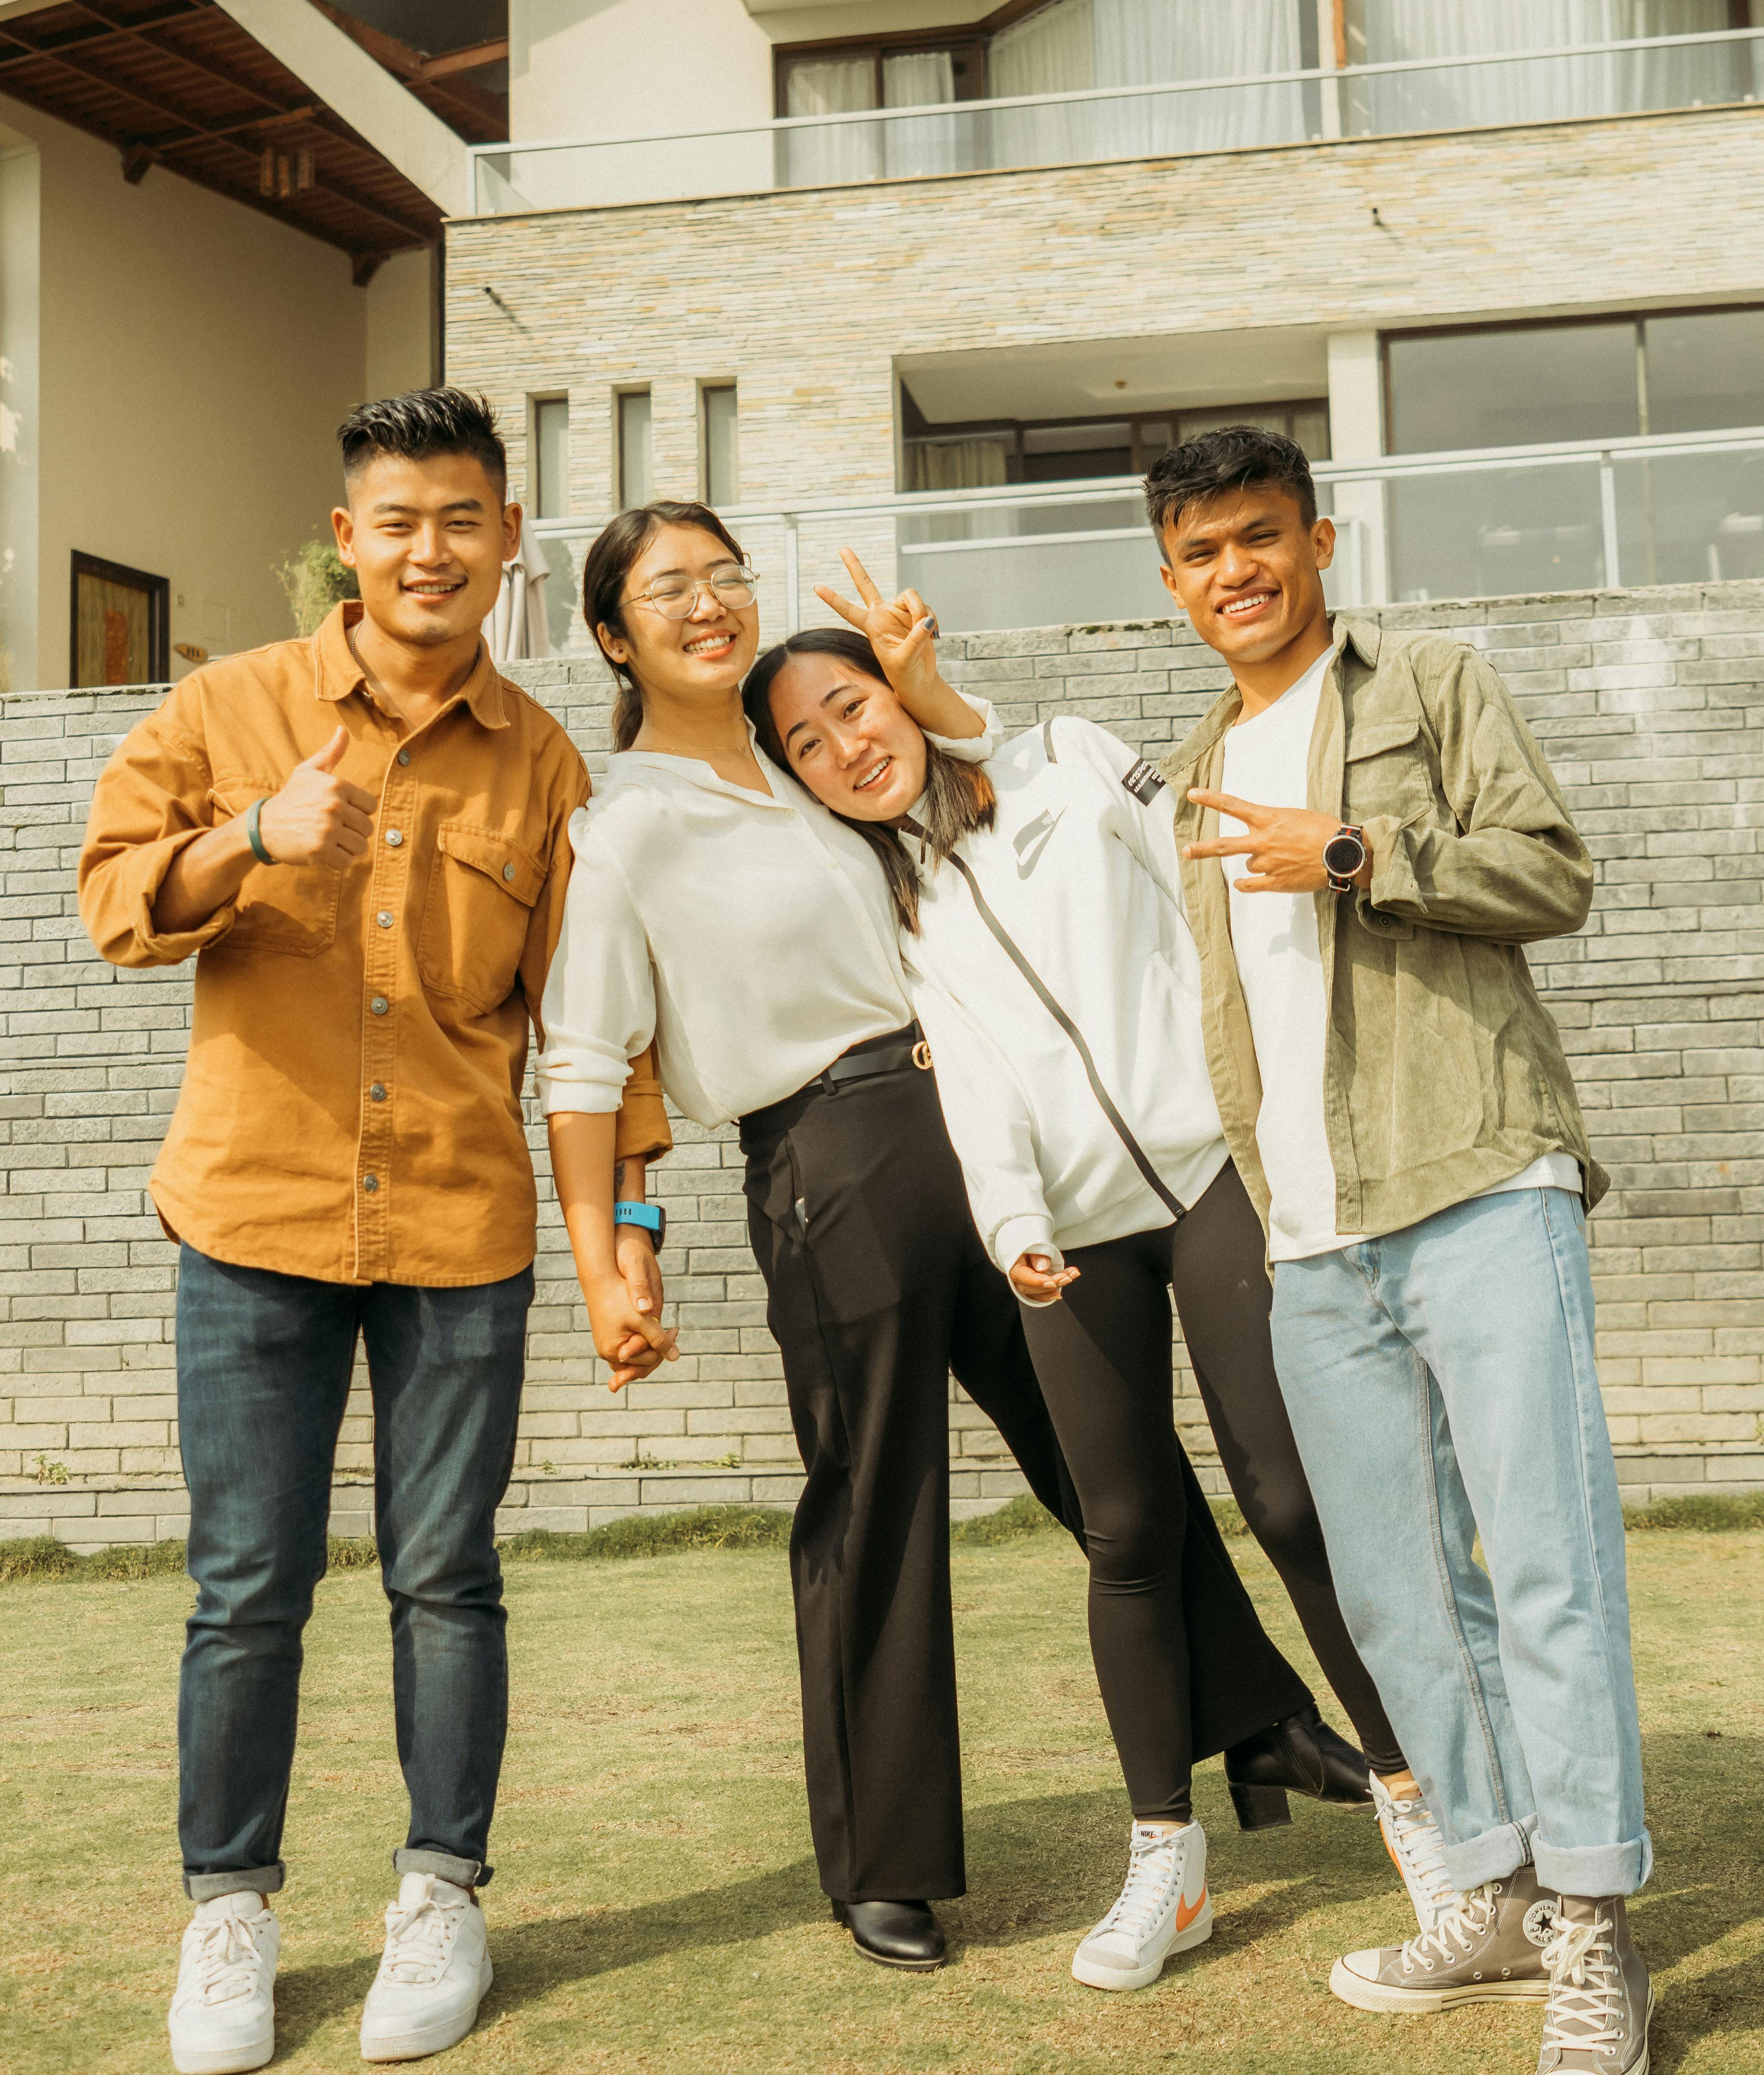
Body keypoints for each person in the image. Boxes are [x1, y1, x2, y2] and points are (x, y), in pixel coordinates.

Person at [534, 506, 1364, 1972]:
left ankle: (1252, 1719)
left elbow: (1013, 818)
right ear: (615, 635)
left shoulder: (819, 759)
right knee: (880, 1503)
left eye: (729, 574)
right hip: (831, 1159)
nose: (711, 603)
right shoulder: (623, 831)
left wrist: (926, 694)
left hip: (986, 1123)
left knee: (1105, 1452)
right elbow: (589, 1063)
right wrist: (614, 1254)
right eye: (672, 590)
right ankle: (884, 1860)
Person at [77, 389, 673, 2074]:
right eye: (398, 520)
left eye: (462, 520)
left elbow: (594, 1024)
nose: (431, 550)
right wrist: (247, 836)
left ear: (504, 544)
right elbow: (113, 898)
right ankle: (229, 1913)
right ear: (348, 538)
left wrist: (630, 1229)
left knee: (447, 1580)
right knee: (246, 1587)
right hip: (248, 1219)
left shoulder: (544, 759)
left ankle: (443, 1892)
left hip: (462, 1236)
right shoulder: (231, 706)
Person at [750, 568, 1449, 1996]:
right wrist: (1010, 1220)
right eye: (807, 749)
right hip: (1069, 1230)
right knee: (1125, 1533)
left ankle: (1418, 1805)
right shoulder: (902, 908)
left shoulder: (1061, 756)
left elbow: (1189, 869)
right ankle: (1165, 1859)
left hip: (1205, 1176)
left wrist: (970, 717)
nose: (844, 750)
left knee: (1290, 1497)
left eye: (849, 708)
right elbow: (978, 1086)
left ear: (900, 686)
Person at [1151, 425, 1654, 2075]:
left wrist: (1357, 856)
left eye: (1260, 538)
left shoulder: (1429, 685)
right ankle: (1498, 1891)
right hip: (1314, 1237)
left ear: (1318, 542)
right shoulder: (1198, 768)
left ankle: (1594, 1928)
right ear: (1171, 579)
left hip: (1476, 1181)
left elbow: (1554, 874)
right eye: (1203, 551)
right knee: (1396, 1596)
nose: (1237, 571)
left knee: (1549, 1561)